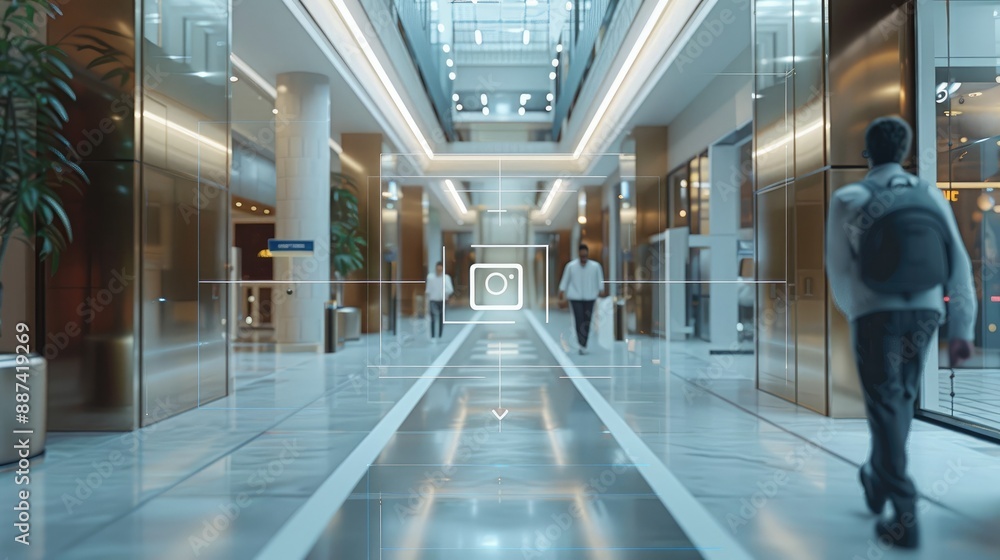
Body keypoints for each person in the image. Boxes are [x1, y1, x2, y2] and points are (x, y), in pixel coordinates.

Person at [826, 116, 976, 548]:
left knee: (885, 401)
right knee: (901, 399)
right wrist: (962, 327)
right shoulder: (928, 192)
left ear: (866, 153)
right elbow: (959, 262)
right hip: (927, 312)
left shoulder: (849, 197)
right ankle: (876, 476)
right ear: (906, 152)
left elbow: (839, 270)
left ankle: (904, 510)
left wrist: (858, 313)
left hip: (877, 313)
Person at [558, 244, 607, 354]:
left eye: (585, 256)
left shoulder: (595, 266)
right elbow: (565, 280)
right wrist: (561, 292)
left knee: (587, 320)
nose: (583, 258)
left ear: (587, 254)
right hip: (575, 297)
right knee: (578, 319)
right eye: (582, 256)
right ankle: (581, 343)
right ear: (579, 255)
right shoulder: (571, 266)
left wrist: (601, 290)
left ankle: (584, 343)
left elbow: (600, 280)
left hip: (590, 297)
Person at [425, 262, 453, 342]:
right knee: (433, 318)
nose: (439, 271)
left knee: (441, 318)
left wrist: (444, 293)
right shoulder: (430, 277)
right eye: (438, 269)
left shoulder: (446, 278)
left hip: (442, 300)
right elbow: (428, 289)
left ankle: (440, 335)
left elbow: (450, 289)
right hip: (433, 300)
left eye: (440, 269)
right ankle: (433, 336)